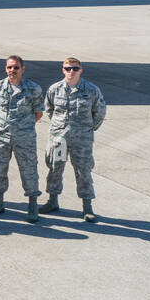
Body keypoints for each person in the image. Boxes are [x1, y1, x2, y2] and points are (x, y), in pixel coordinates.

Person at [43, 58, 107, 221]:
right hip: (59, 139)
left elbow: (99, 112)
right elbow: (49, 110)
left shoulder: (91, 90)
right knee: (55, 168)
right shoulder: (55, 89)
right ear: (63, 70)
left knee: (83, 171)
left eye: (75, 68)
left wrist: (87, 130)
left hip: (82, 141)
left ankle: (87, 207)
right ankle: (52, 201)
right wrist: (59, 129)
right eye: (68, 68)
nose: (71, 71)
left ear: (81, 70)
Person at [0, 56, 45, 221]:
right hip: (1, 137)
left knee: (29, 171)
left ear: (22, 69)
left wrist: (22, 127)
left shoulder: (33, 89)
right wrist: (4, 126)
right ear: (6, 68)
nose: (12, 70)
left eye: (16, 67)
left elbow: (38, 113)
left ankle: (32, 205)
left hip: (24, 138)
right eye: (10, 67)